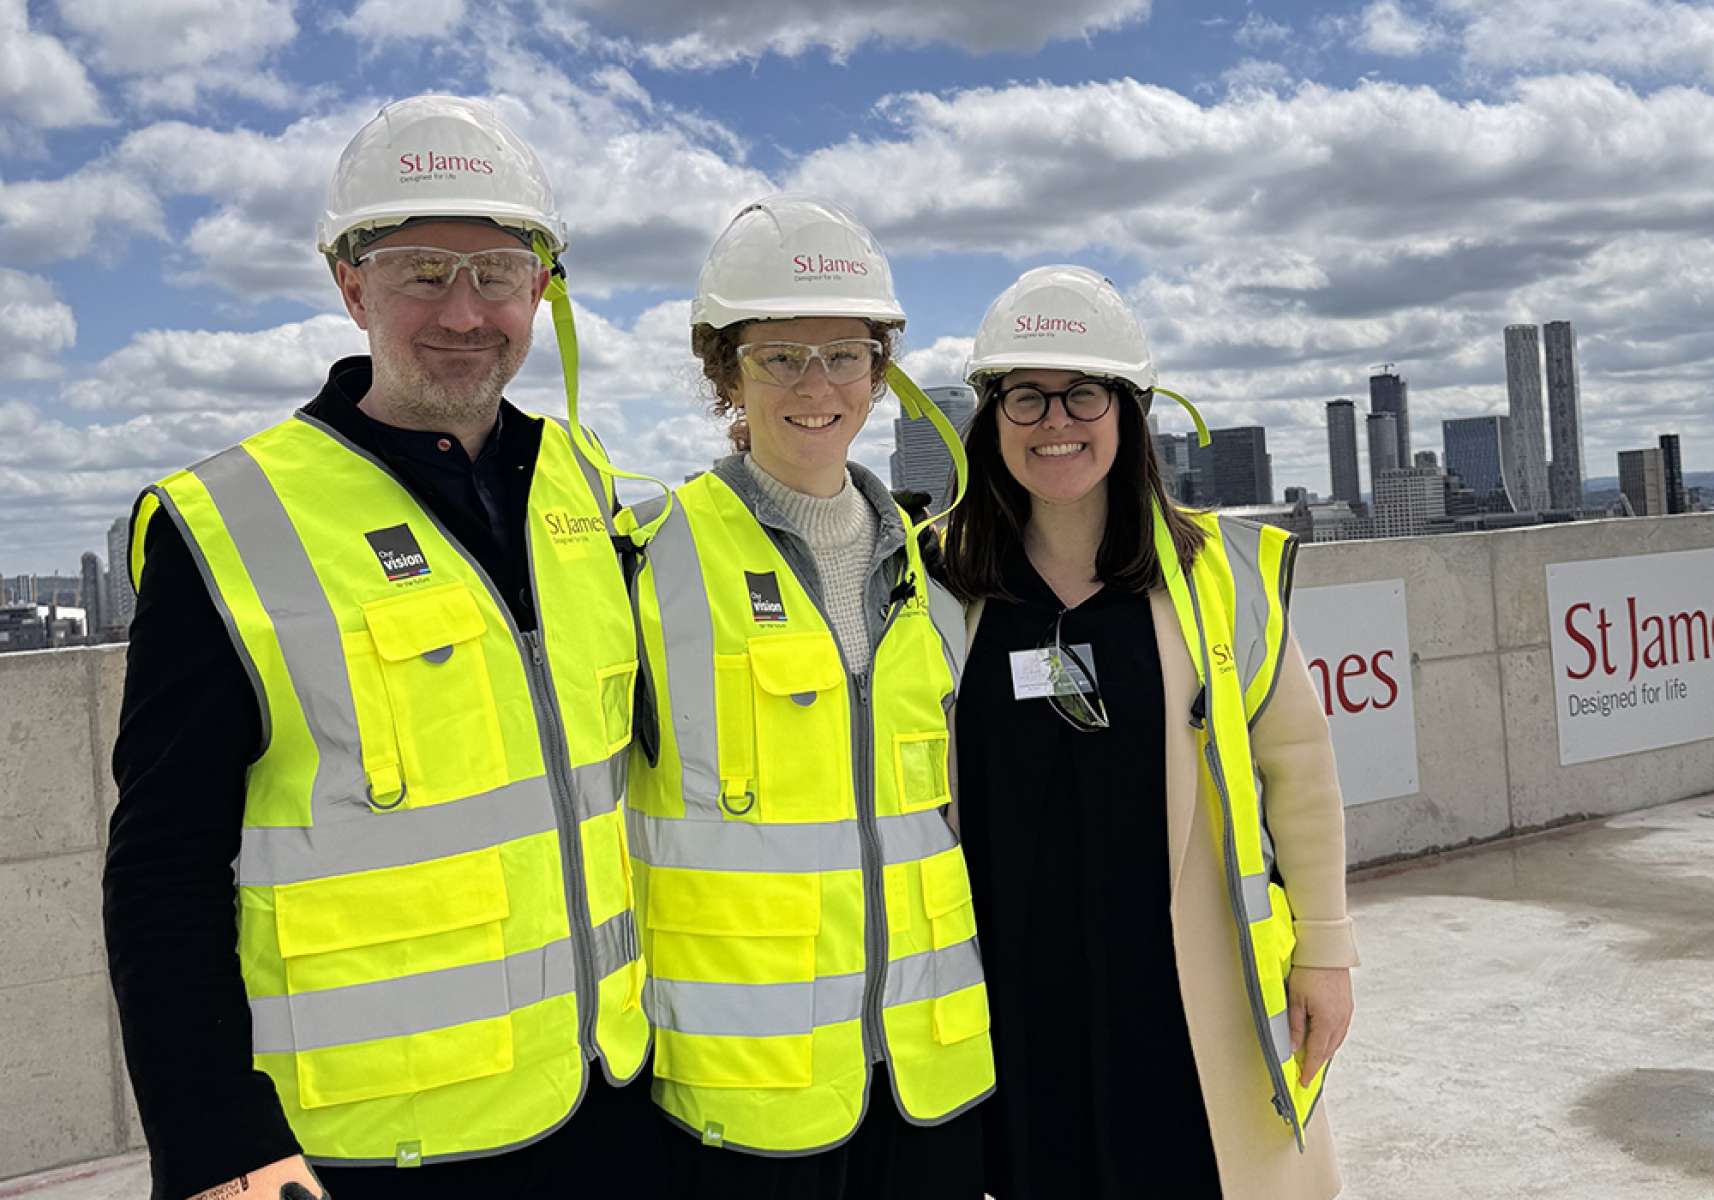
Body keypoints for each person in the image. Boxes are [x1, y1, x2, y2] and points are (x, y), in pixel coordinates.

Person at [103, 95, 661, 1200]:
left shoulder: (585, 489)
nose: (465, 312)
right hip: (365, 1148)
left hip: (597, 1098)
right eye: (420, 271)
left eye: (498, 273)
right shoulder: (230, 522)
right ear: (349, 284)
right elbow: (162, 868)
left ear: (541, 291)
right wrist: (219, 1141)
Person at [941, 266, 1359, 1199]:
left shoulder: (1219, 575)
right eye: (1026, 397)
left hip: (1181, 984)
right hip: (1007, 983)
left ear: (1129, 411)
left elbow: (1298, 769)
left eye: (1084, 393)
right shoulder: (936, 583)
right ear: (990, 414)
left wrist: (1325, 949)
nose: (1057, 421)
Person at [622, 195, 993, 1198]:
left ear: (879, 374)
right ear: (725, 376)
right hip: (744, 1088)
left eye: (842, 354)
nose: (814, 384)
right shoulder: (648, 556)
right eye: (777, 357)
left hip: (930, 1071)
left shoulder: (935, 575)